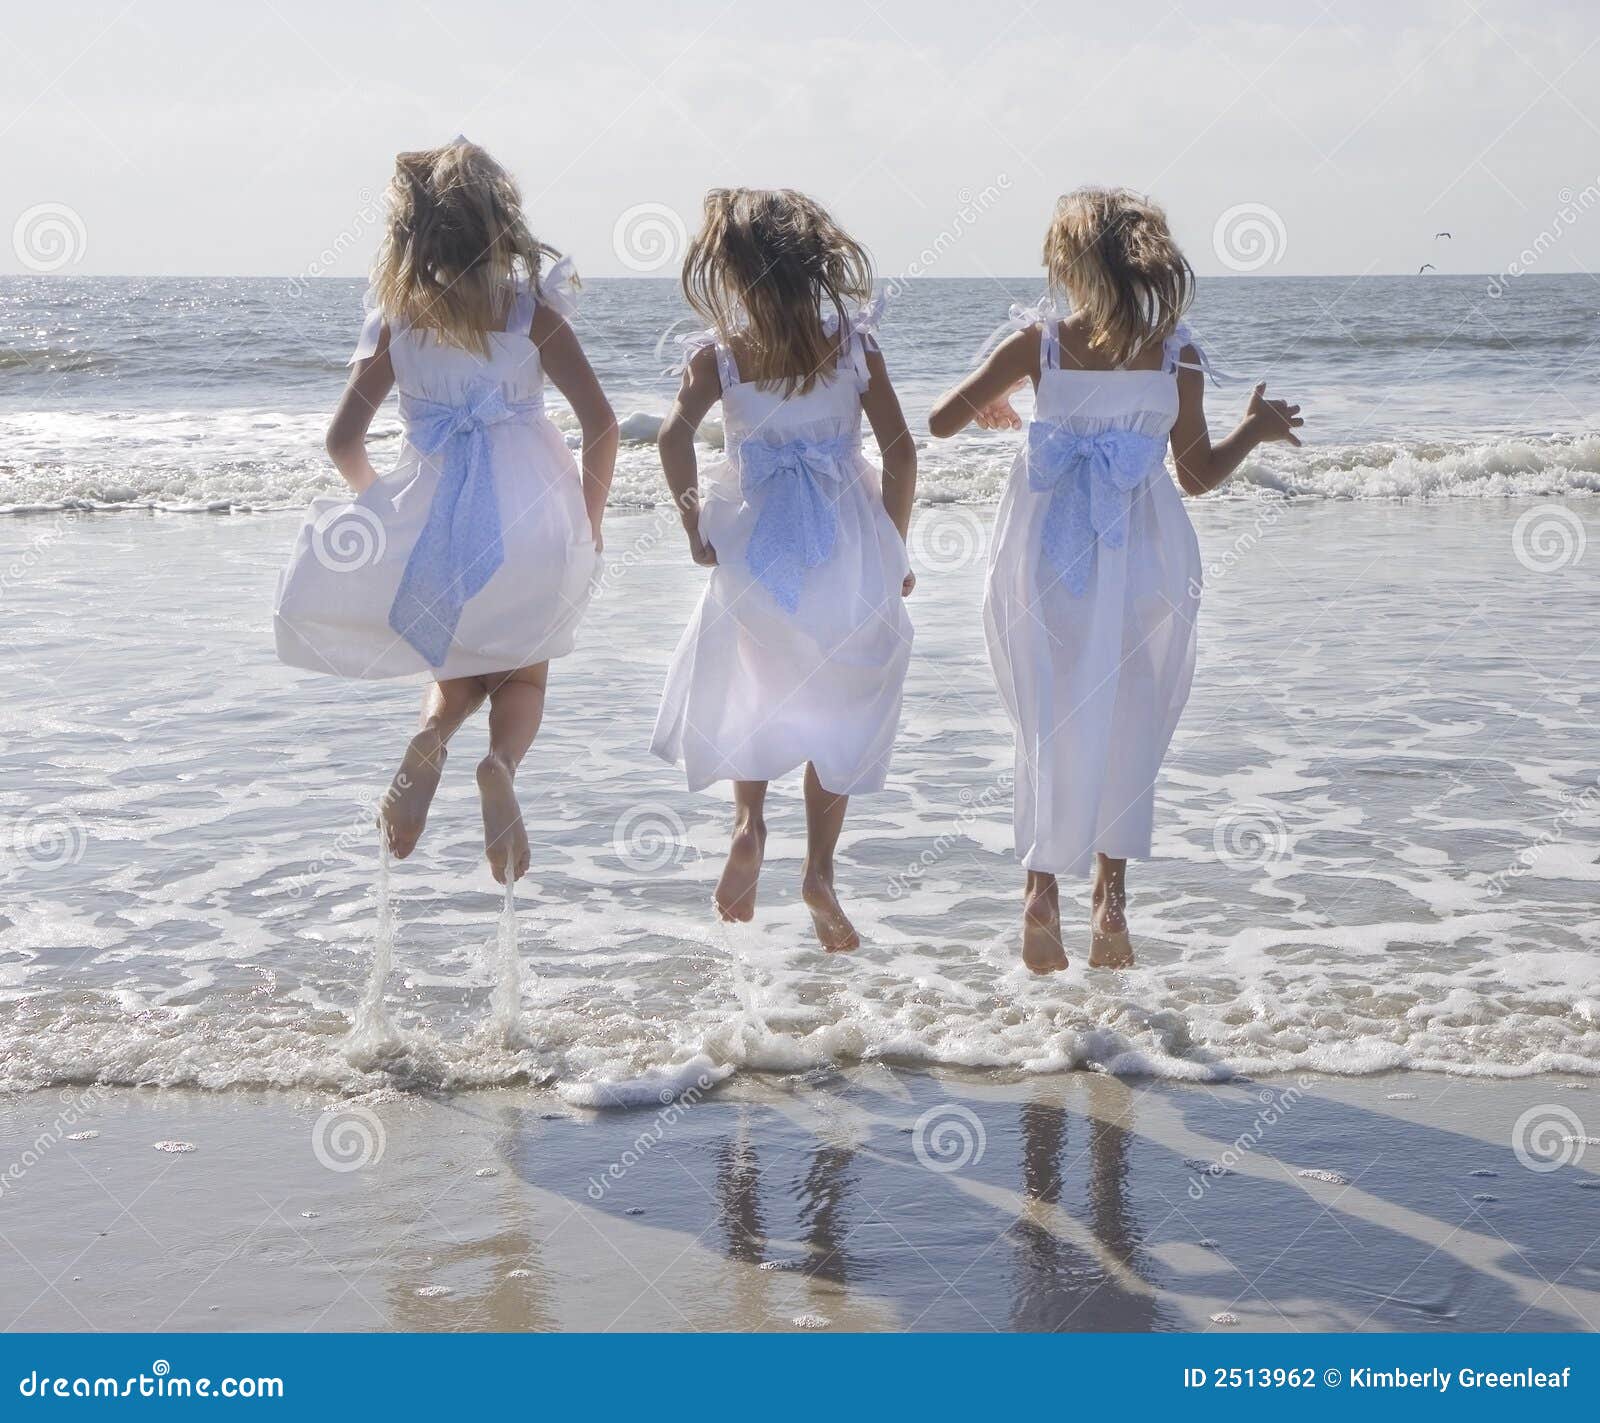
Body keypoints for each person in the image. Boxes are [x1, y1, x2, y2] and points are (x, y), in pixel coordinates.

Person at [929, 187, 1303, 972]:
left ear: (1069, 266)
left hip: (1044, 553)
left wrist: (995, 396)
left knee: (1049, 717)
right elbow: (1196, 474)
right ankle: (1111, 900)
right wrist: (1257, 430)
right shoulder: (1178, 351)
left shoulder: (1041, 344)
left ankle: (1040, 892)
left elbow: (937, 421)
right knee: (1130, 713)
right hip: (1143, 552)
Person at [275, 138, 617, 883]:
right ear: (502, 222)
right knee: (523, 677)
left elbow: (342, 441)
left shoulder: (400, 321)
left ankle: (432, 734)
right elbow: (603, 425)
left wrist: (386, 513)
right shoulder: (532, 313)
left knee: (456, 660)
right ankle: (498, 764)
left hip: (435, 527)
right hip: (533, 523)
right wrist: (588, 518)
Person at [651, 188, 917, 951]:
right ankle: (820, 872)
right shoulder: (853, 348)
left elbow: (672, 440)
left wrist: (694, 523)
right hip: (845, 550)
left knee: (756, 681)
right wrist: (892, 547)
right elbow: (901, 454)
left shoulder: (721, 357)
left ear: (734, 275)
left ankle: (747, 824)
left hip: (755, 547)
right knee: (837, 704)